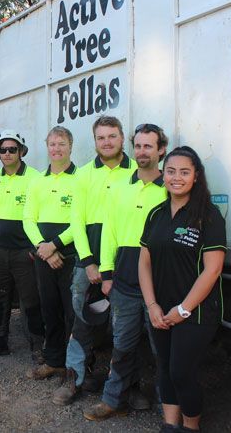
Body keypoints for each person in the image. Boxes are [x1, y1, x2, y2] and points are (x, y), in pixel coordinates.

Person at [83, 123, 169, 421]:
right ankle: (112, 399)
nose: (143, 151)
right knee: (122, 346)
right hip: (125, 284)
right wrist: (107, 275)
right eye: (139, 145)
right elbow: (109, 234)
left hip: (162, 285)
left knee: (163, 350)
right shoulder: (120, 189)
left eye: (149, 146)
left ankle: (167, 405)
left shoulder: (170, 190)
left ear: (161, 150)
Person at [138, 146, 226, 432]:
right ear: (164, 174)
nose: (177, 178)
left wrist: (184, 309)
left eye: (185, 172)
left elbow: (213, 269)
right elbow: (145, 262)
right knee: (164, 368)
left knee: (181, 371)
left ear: (196, 176)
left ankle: (190, 427)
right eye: (171, 171)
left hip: (196, 311)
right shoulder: (156, 214)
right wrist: (152, 305)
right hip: (161, 308)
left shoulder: (208, 215)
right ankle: (170, 425)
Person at [60, 115, 136, 405]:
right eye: (101, 137)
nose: (106, 142)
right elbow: (76, 221)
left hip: (125, 264)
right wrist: (90, 261)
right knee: (83, 321)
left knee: (127, 327)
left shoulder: (135, 175)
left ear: (121, 137)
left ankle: (128, 386)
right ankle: (74, 379)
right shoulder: (83, 175)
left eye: (112, 136)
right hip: (87, 263)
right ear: (95, 142)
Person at [22, 126, 80, 382]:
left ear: (71, 147)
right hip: (43, 254)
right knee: (49, 308)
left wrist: (55, 244)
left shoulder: (81, 179)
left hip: (71, 252)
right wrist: (43, 249)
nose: (56, 149)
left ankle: (76, 366)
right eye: (52, 144)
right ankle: (54, 360)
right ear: (47, 147)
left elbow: (82, 221)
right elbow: (28, 219)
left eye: (61, 144)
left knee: (73, 312)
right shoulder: (38, 181)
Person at [0, 130, 44, 360]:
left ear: (21, 151)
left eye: (12, 149)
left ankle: (38, 346)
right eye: (3, 149)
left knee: (31, 300)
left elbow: (40, 214)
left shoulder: (36, 177)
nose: (7, 153)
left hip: (24, 251)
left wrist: (35, 247)